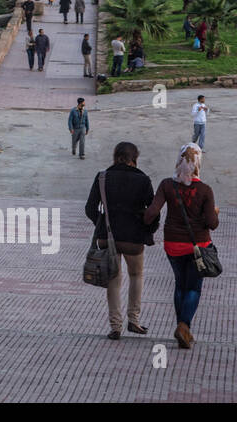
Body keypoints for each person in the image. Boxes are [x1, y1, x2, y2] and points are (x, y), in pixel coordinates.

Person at [144, 144, 219, 349]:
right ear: (198, 164)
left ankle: (183, 328)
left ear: (179, 161)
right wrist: (214, 213)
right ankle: (184, 326)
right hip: (199, 246)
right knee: (194, 287)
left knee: (180, 284)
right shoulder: (205, 190)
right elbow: (212, 223)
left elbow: (152, 212)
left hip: (173, 244)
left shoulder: (167, 185)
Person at [84, 141, 157, 340]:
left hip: (109, 238)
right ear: (135, 158)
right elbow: (153, 211)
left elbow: (90, 208)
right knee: (136, 276)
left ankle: (115, 326)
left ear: (115, 156)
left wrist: (102, 225)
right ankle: (134, 320)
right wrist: (147, 230)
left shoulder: (103, 177)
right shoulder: (143, 180)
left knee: (113, 280)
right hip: (134, 239)